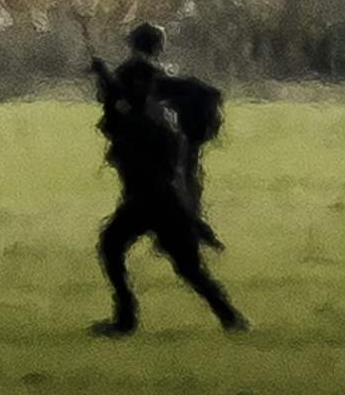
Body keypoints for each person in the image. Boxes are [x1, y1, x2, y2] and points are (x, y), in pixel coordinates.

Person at [89, 48, 247, 335]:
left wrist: (108, 87)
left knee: (115, 248)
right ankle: (229, 317)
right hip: (164, 202)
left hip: (150, 202)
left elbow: (117, 126)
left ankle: (126, 318)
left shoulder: (146, 120)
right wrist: (106, 83)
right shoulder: (157, 115)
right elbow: (117, 119)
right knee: (188, 269)